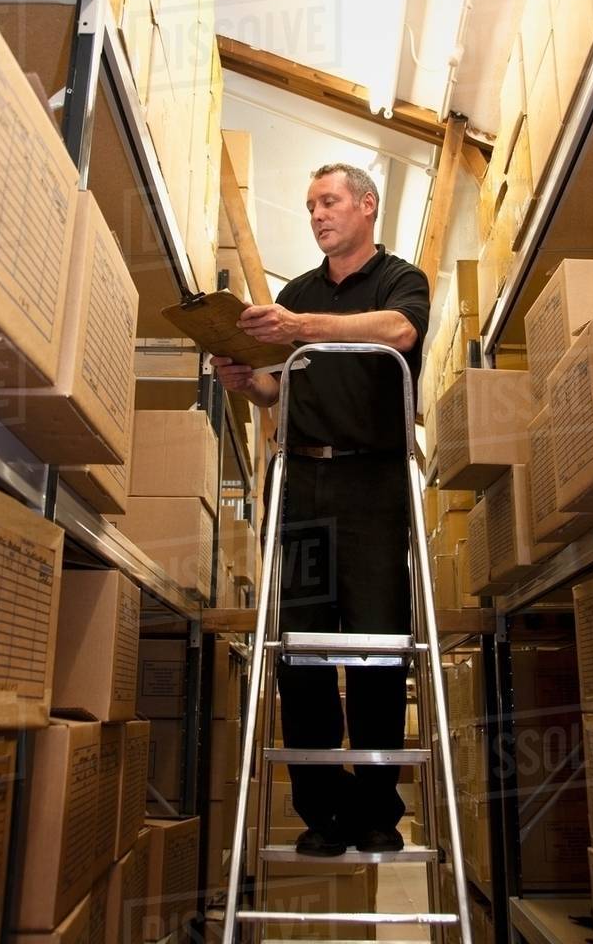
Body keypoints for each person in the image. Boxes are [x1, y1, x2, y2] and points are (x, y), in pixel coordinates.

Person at [211, 162, 430, 857]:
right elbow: (281, 393)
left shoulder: (401, 279)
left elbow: (398, 333)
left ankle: (375, 810)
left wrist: (300, 327)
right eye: (309, 205)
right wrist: (248, 381)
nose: (316, 215)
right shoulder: (295, 291)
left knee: (374, 647)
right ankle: (321, 812)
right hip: (301, 482)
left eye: (328, 202)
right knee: (301, 648)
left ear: (366, 206)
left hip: (371, 484)